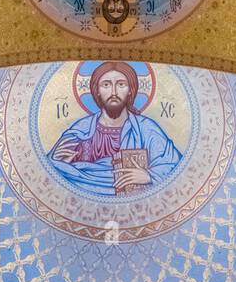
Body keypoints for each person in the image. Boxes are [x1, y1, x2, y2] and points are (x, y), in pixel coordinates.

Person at [48, 60, 181, 193]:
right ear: (97, 91)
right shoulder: (80, 130)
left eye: (121, 84)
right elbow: (49, 175)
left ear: (130, 90)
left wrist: (149, 176)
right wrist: (57, 164)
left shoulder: (146, 129)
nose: (114, 92)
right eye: (106, 85)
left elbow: (174, 165)